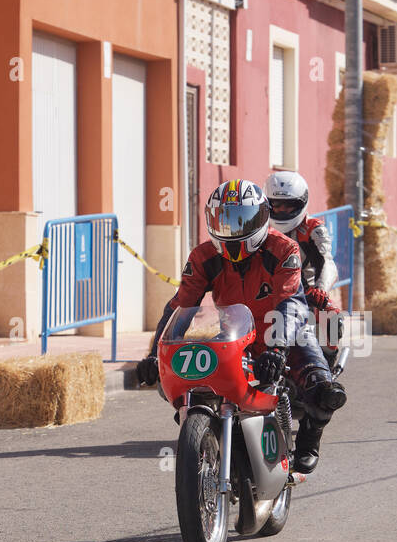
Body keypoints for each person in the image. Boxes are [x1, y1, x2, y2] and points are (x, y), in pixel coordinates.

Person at [135, 179, 346, 473]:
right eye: (224, 221)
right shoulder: (202, 256)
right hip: (235, 336)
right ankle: (212, 437)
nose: (233, 230)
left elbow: (291, 303)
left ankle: (309, 440)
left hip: (287, 335)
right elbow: (179, 306)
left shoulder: (285, 249)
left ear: (260, 217)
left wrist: (278, 347)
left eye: (241, 221)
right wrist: (156, 354)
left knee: (326, 391)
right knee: (196, 386)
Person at [263, 171, 342, 365]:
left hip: (306, 292)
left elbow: (327, 262)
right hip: (266, 289)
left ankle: (327, 362)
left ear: (301, 203)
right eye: (276, 205)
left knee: (330, 315)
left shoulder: (314, 228)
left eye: (289, 205)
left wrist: (321, 291)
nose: (282, 210)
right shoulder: (259, 226)